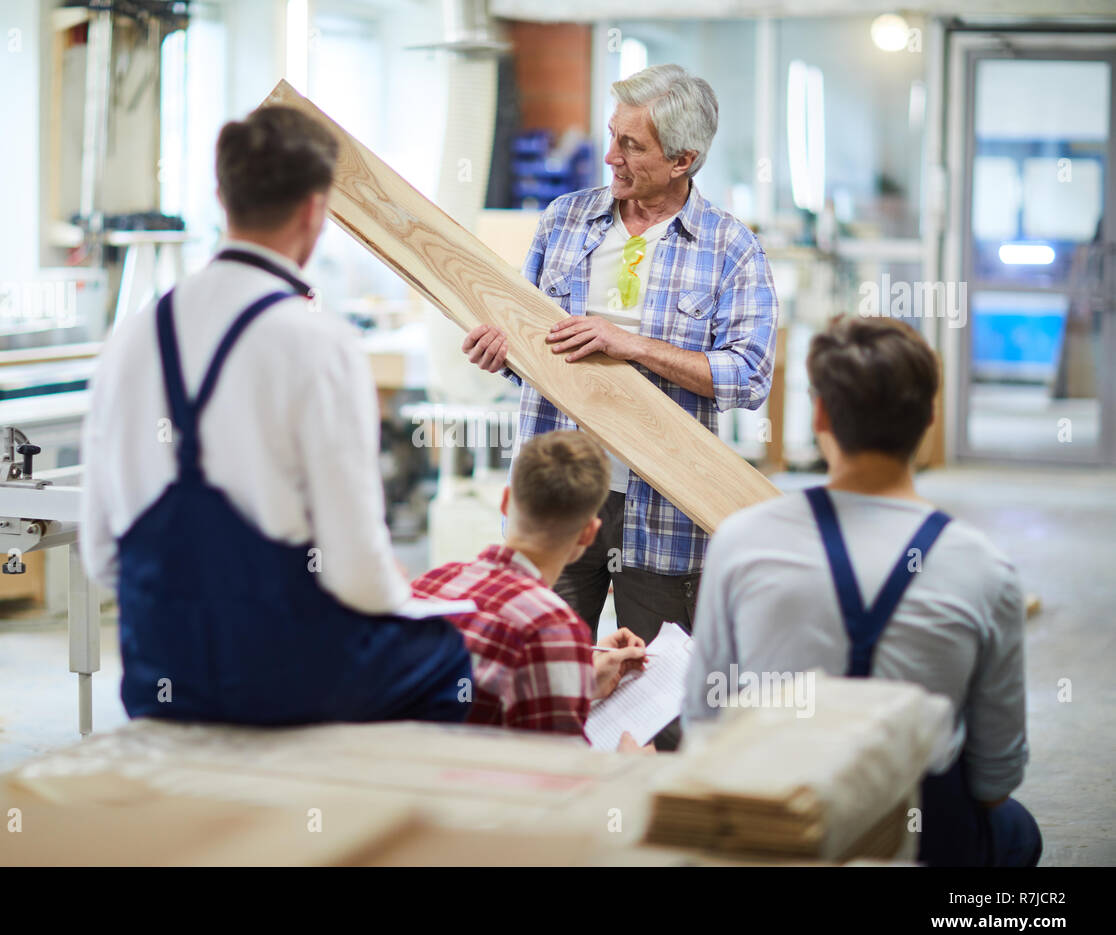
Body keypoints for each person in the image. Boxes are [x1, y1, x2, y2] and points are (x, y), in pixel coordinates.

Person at [80, 105, 471, 725]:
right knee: (451, 664)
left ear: (221, 197)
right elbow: (354, 575)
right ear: (316, 210)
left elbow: (102, 556)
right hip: (281, 677)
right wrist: (401, 594)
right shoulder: (318, 340)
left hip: (159, 669)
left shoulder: (130, 337)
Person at [685, 315, 1041, 867]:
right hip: (922, 828)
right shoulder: (985, 568)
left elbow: (703, 727)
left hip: (775, 815)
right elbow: (996, 779)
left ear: (821, 413)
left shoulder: (743, 541)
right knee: (1017, 830)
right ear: (929, 417)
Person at [461, 63, 778, 644]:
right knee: (541, 662)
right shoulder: (564, 221)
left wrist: (630, 345)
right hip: (558, 499)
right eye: (612, 136)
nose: (610, 157)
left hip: (665, 507)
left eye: (631, 145)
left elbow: (750, 376)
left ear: (682, 160)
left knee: (658, 691)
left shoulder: (731, 246)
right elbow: (523, 344)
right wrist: (498, 350)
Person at [412, 431, 646, 741]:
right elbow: (559, 770)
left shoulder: (430, 584)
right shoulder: (551, 629)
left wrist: (580, 681)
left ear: (506, 501)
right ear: (588, 534)